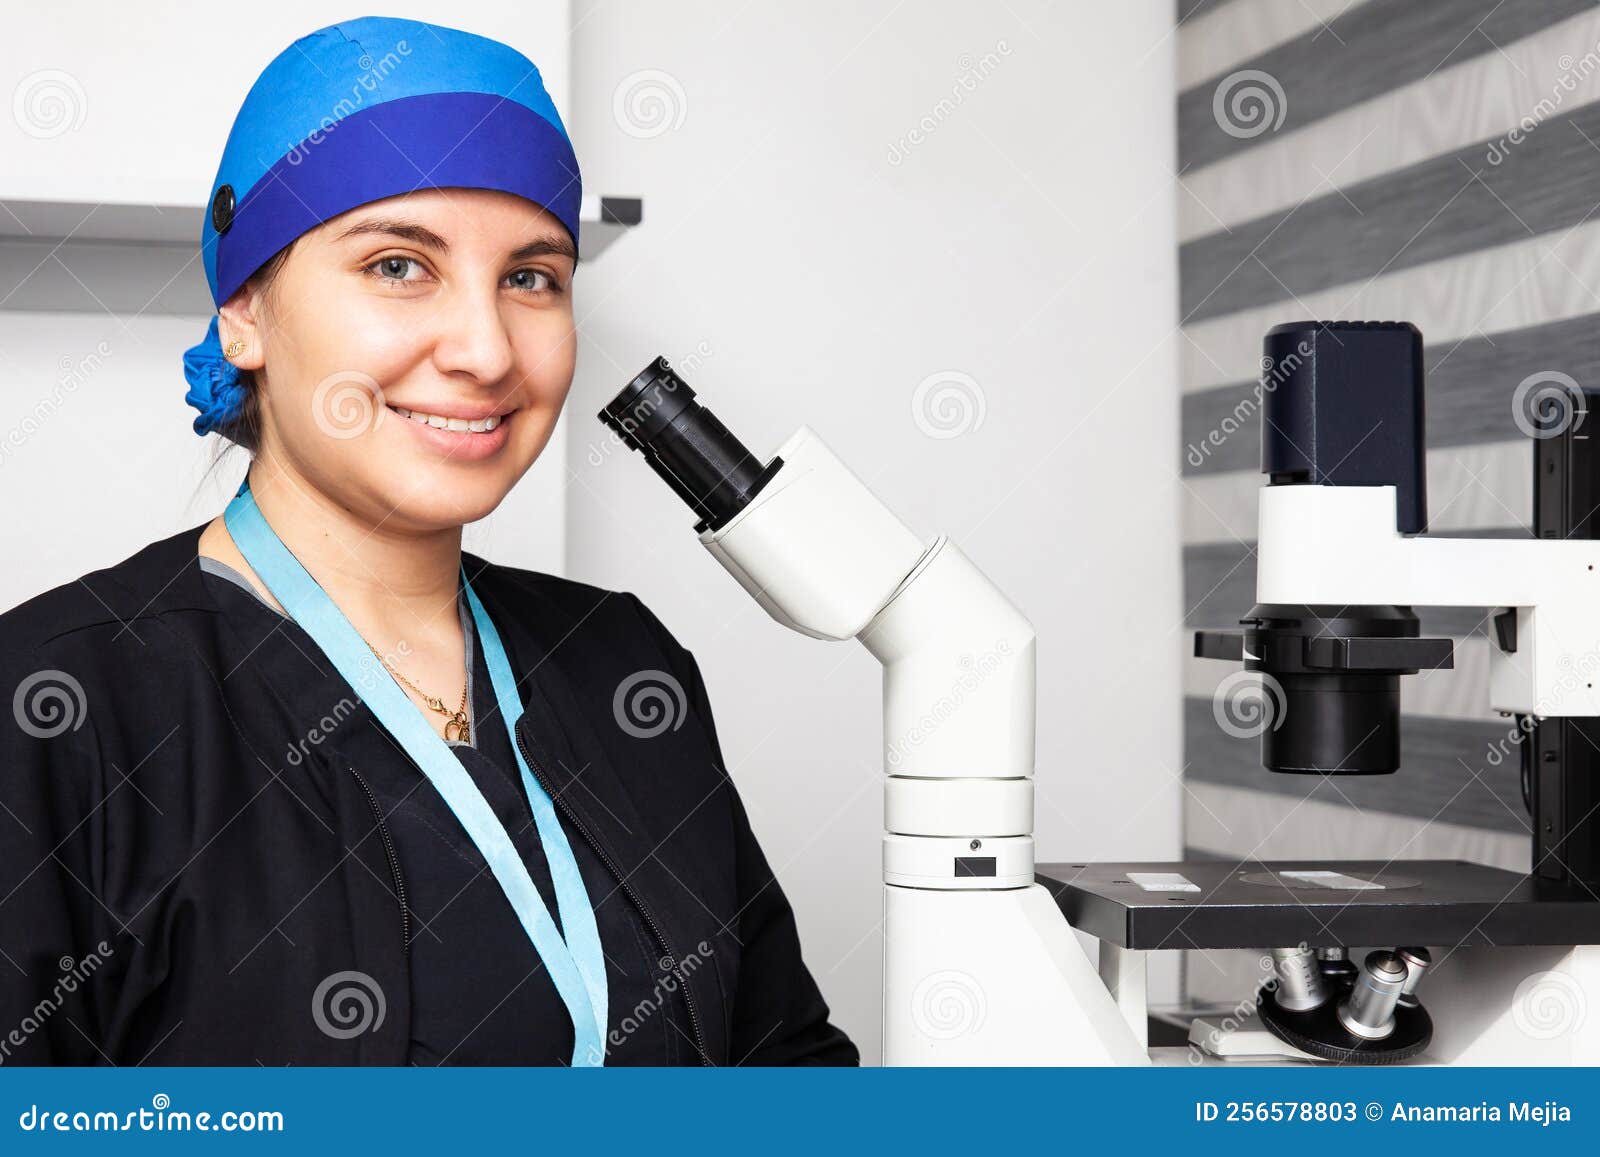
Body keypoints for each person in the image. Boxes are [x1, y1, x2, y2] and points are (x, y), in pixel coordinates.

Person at [0, 15, 858, 1067]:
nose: (487, 349)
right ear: (244, 313)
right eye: (399, 265)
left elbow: (786, 1067)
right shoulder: (60, 708)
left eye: (532, 276)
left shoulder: (622, 665)